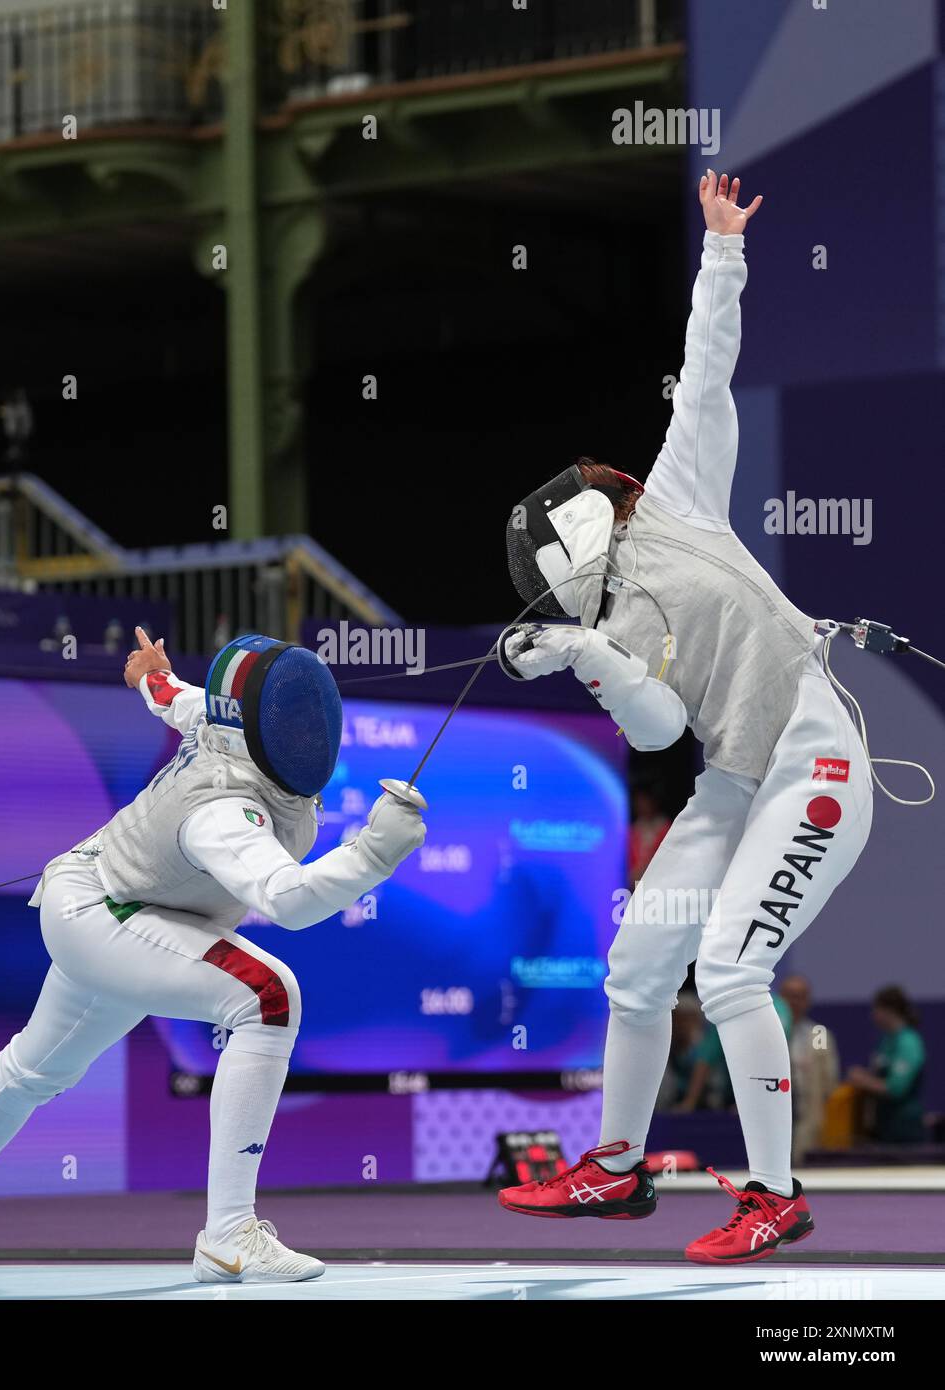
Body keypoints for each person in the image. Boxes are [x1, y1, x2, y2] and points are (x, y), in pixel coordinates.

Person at [497, 172, 874, 1263]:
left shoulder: (673, 501)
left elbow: (702, 380)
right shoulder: (600, 628)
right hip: (737, 778)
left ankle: (773, 1195)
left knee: (733, 969)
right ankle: (613, 1172)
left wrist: (723, 254)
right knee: (638, 966)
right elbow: (659, 728)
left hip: (815, 760)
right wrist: (577, 649)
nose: (610, 486)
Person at [0, 628, 426, 1284]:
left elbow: (173, 697)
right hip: (106, 914)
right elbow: (285, 901)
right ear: (258, 727)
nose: (310, 726)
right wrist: (375, 853)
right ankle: (228, 1233)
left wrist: (151, 674)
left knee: (32, 1071)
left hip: (118, 905)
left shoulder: (218, 723)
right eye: (291, 713)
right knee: (266, 996)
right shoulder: (223, 811)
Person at [846, 986, 925, 1144]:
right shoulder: (886, 1040)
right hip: (883, 1124)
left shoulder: (908, 1043)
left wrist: (862, 1081)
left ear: (889, 1010)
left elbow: (895, 1088)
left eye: (876, 1009)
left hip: (903, 1128)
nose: (873, 1015)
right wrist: (866, 1076)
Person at [779, 973, 841, 1163]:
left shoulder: (818, 1033)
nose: (794, 1002)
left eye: (800, 996)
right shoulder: (771, 1032)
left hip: (807, 1112)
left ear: (808, 1000)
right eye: (789, 996)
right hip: (775, 1107)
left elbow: (829, 1075)